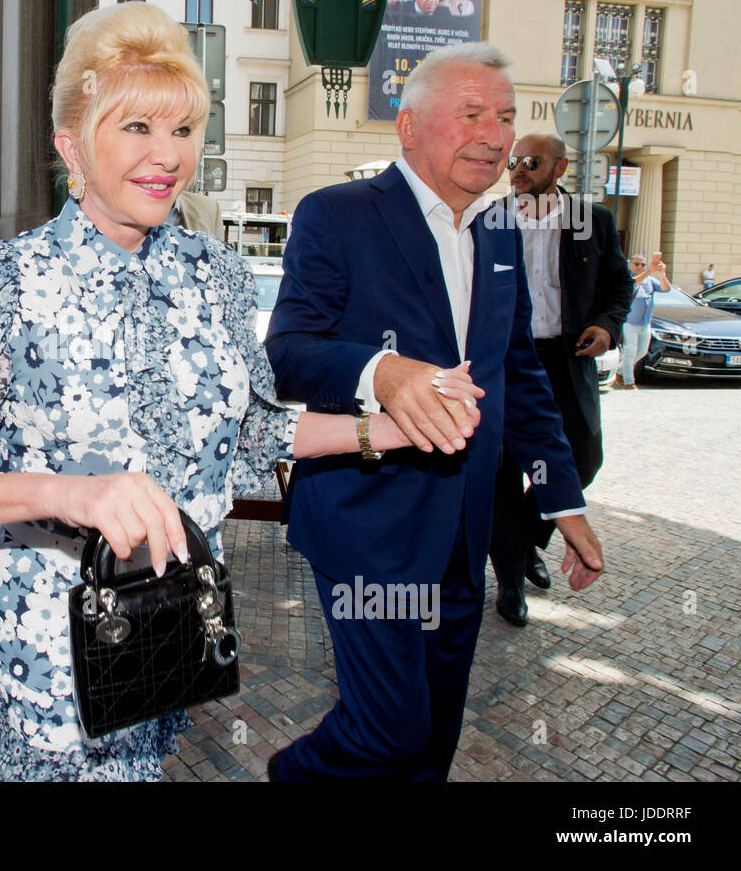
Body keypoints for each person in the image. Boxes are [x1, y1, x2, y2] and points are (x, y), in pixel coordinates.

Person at [0, 2, 480, 782]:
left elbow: (253, 435)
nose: (166, 156)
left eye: (183, 130)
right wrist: (72, 495)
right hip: (58, 653)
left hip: (170, 626)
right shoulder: (10, 281)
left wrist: (389, 427)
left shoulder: (212, 274)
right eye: (136, 128)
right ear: (71, 147)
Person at [265, 43, 606, 782]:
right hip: (368, 526)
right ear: (409, 127)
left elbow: (517, 373)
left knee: (434, 739)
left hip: (464, 534)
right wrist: (380, 372)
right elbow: (287, 352)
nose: (495, 134)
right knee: (388, 730)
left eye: (507, 117)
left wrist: (563, 499)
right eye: (473, 113)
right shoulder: (338, 215)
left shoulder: (501, 231)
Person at [487, 134, 632, 626]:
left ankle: (528, 537)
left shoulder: (594, 222)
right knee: (503, 474)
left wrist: (608, 328)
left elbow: (619, 287)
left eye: (531, 162)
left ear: (561, 167)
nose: (518, 169)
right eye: (513, 161)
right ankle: (510, 583)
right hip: (506, 361)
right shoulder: (490, 219)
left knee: (583, 456)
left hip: (567, 358)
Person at [617, 252, 670, 389]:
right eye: (637, 264)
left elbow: (666, 289)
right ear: (630, 264)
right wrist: (649, 271)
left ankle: (619, 370)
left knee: (642, 351)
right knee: (630, 351)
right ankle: (629, 382)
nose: (640, 266)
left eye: (643, 264)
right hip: (629, 322)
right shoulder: (626, 277)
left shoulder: (650, 280)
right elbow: (633, 283)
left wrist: (661, 274)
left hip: (645, 323)